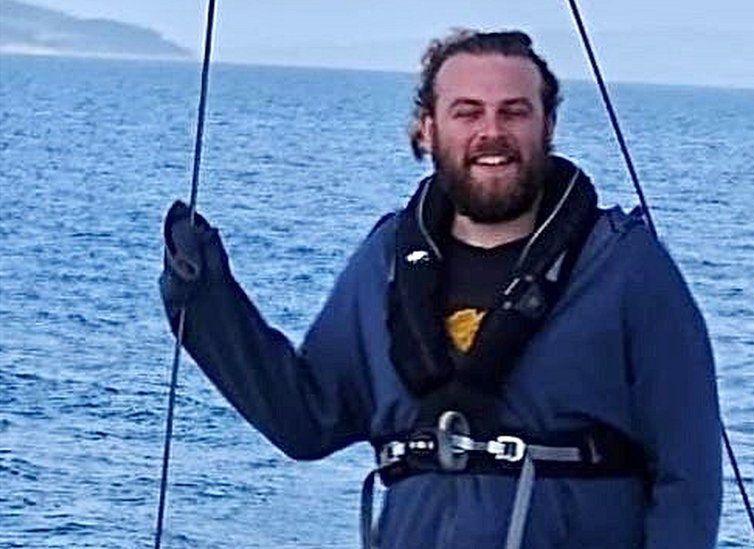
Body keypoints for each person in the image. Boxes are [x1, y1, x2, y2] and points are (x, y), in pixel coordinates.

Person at [160, 29, 722, 548]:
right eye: (467, 112)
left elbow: (687, 473)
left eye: (515, 112)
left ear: (547, 125)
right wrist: (204, 298)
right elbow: (309, 420)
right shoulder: (385, 262)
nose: (491, 133)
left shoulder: (625, 268)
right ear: (428, 128)